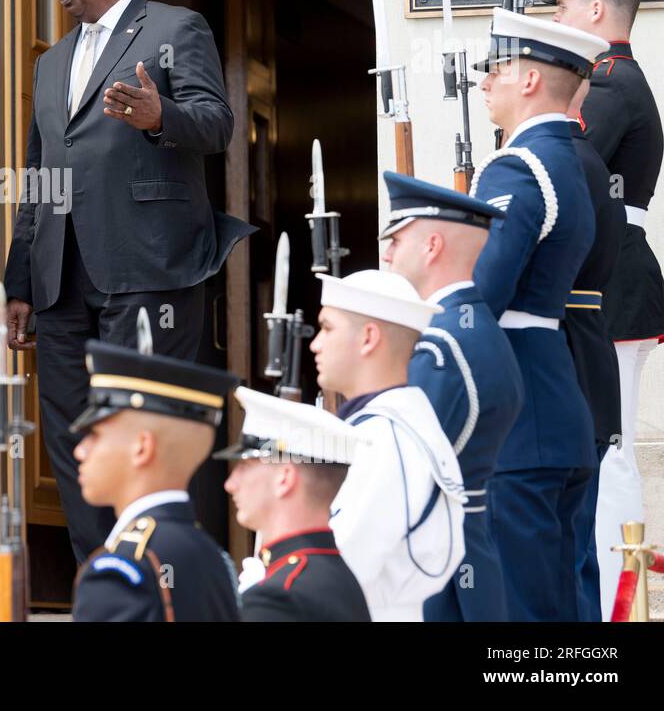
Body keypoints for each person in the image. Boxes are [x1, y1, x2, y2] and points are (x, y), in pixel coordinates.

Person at [2, 0, 254, 562]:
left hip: (149, 267)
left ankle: (160, 573)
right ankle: (106, 577)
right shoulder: (52, 61)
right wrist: (21, 280)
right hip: (62, 278)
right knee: (72, 433)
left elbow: (218, 124)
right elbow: (40, 175)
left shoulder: (175, 29)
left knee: (143, 425)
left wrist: (159, 116)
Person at [468, 6, 609, 621]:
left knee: (523, 618)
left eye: (495, 69)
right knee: (563, 613)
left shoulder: (518, 168)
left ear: (529, 79)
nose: (482, 82)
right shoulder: (570, 159)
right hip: (559, 405)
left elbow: (481, 294)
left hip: (520, 422)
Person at [542, 0, 663, 618]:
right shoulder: (614, 78)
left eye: (563, 9)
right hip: (614, 279)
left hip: (612, 286)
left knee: (608, 450)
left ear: (595, 10)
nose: (557, 22)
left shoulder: (609, 82)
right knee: (602, 445)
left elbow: (560, 161)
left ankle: (621, 610)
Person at [378, 172, 520, 622]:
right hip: (471, 553)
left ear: (432, 246)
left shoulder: (441, 345)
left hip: (441, 565)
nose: (386, 253)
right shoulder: (477, 328)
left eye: (396, 240)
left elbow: (408, 469)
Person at [310, 269, 465, 622]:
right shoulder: (393, 428)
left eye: (327, 328)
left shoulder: (385, 439)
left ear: (368, 338)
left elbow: (343, 567)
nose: (315, 343)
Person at [70, 338, 240, 622]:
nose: (80, 449)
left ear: (142, 448)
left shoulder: (119, 571)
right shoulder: (214, 557)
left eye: (95, 435)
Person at [558, 77, 626, 621]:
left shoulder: (559, 163)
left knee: (566, 548)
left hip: (566, 365)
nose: (487, 83)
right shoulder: (581, 157)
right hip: (584, 361)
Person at [218, 385, 371, 621]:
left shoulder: (278, 597)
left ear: (285, 479)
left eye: (245, 466)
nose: (230, 483)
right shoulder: (340, 578)